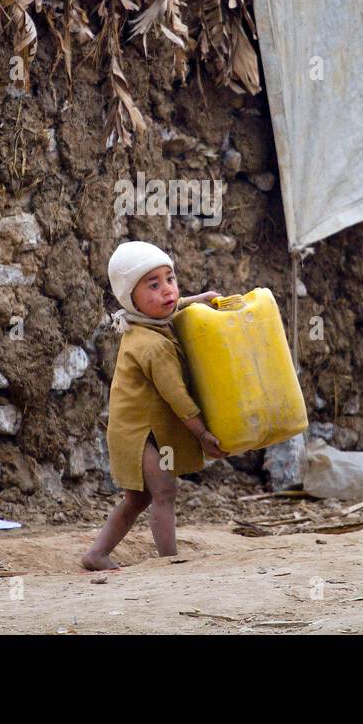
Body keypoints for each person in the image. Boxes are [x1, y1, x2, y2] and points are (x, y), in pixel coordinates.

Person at [81, 241, 226, 570]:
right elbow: (178, 398)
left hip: (135, 430)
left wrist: (197, 300)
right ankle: (169, 562)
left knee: (139, 499)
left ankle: (96, 554)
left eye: (170, 279)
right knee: (163, 492)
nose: (167, 291)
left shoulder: (148, 322)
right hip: (139, 434)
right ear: (131, 298)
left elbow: (172, 306)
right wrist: (203, 434)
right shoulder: (152, 345)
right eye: (154, 285)